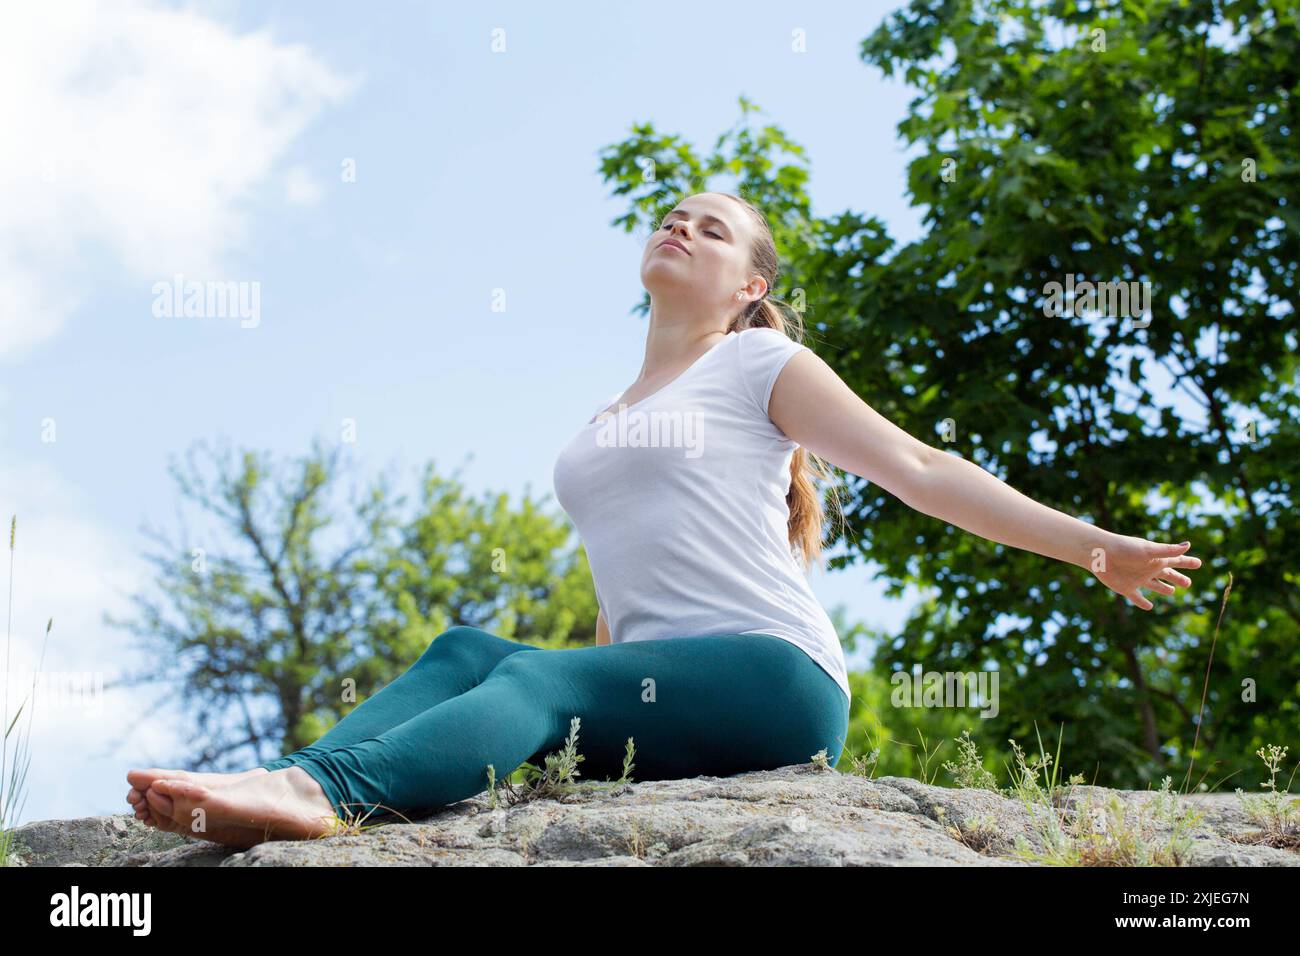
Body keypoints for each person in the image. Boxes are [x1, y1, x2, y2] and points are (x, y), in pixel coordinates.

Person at [125, 192, 1201, 846]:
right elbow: (620, 606)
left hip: (772, 678)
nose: (681, 225)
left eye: (714, 227)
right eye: (673, 215)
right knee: (467, 649)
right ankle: (286, 778)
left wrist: (1092, 545)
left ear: (748, 284)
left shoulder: (759, 361)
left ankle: (321, 794)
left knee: (532, 680)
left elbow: (919, 466)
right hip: (653, 689)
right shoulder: (606, 421)